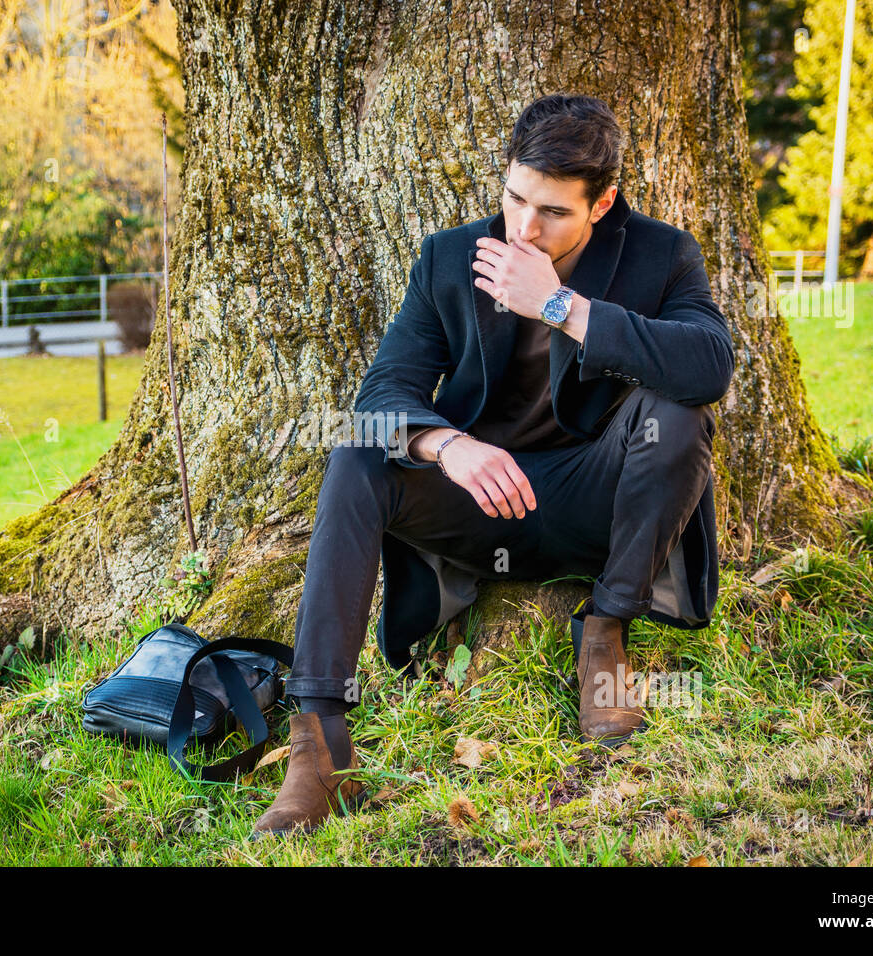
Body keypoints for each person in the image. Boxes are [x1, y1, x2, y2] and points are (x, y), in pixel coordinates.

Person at [251, 93, 735, 838]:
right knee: (357, 452)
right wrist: (448, 445)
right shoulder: (450, 258)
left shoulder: (661, 254)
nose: (525, 228)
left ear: (603, 203)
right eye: (515, 199)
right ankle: (319, 746)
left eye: (553, 212)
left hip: (599, 503)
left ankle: (604, 634)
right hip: (481, 501)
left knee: (677, 412)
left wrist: (560, 305)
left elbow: (708, 367)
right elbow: (382, 395)